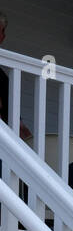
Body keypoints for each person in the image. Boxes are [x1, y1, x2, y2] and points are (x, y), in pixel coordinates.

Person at [0, 13, 33, 141]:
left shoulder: (2, 77)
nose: (4, 36)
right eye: (2, 30)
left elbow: (12, 114)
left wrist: (29, 139)